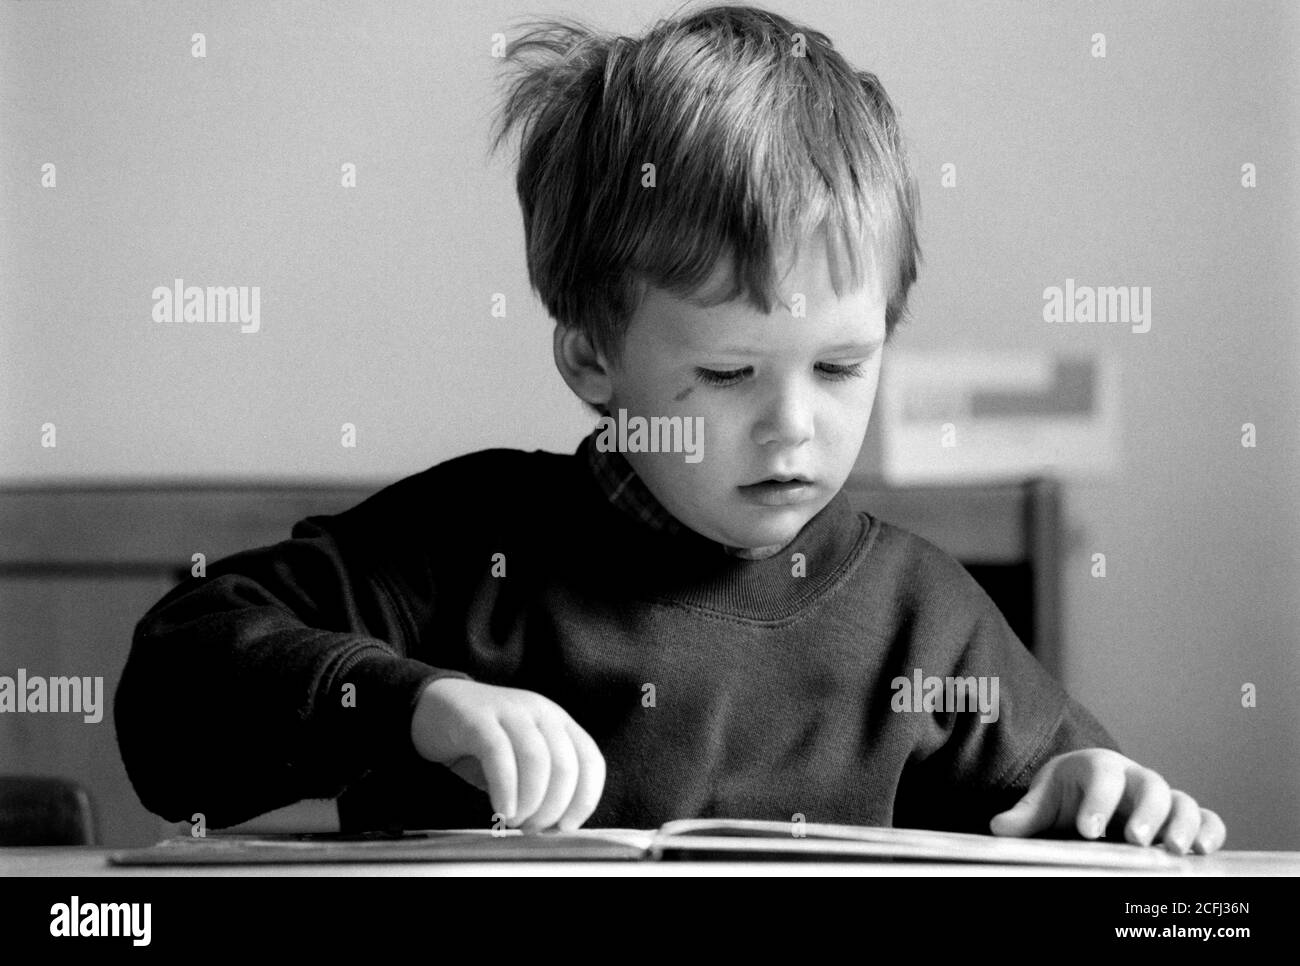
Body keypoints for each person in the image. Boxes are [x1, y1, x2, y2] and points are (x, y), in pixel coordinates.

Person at [114, 4, 1225, 853]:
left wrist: (1099, 808)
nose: (794, 428)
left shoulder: (924, 617)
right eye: (729, 372)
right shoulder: (467, 545)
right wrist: (413, 704)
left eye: (841, 365)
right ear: (591, 354)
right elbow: (171, 699)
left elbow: (1069, 808)